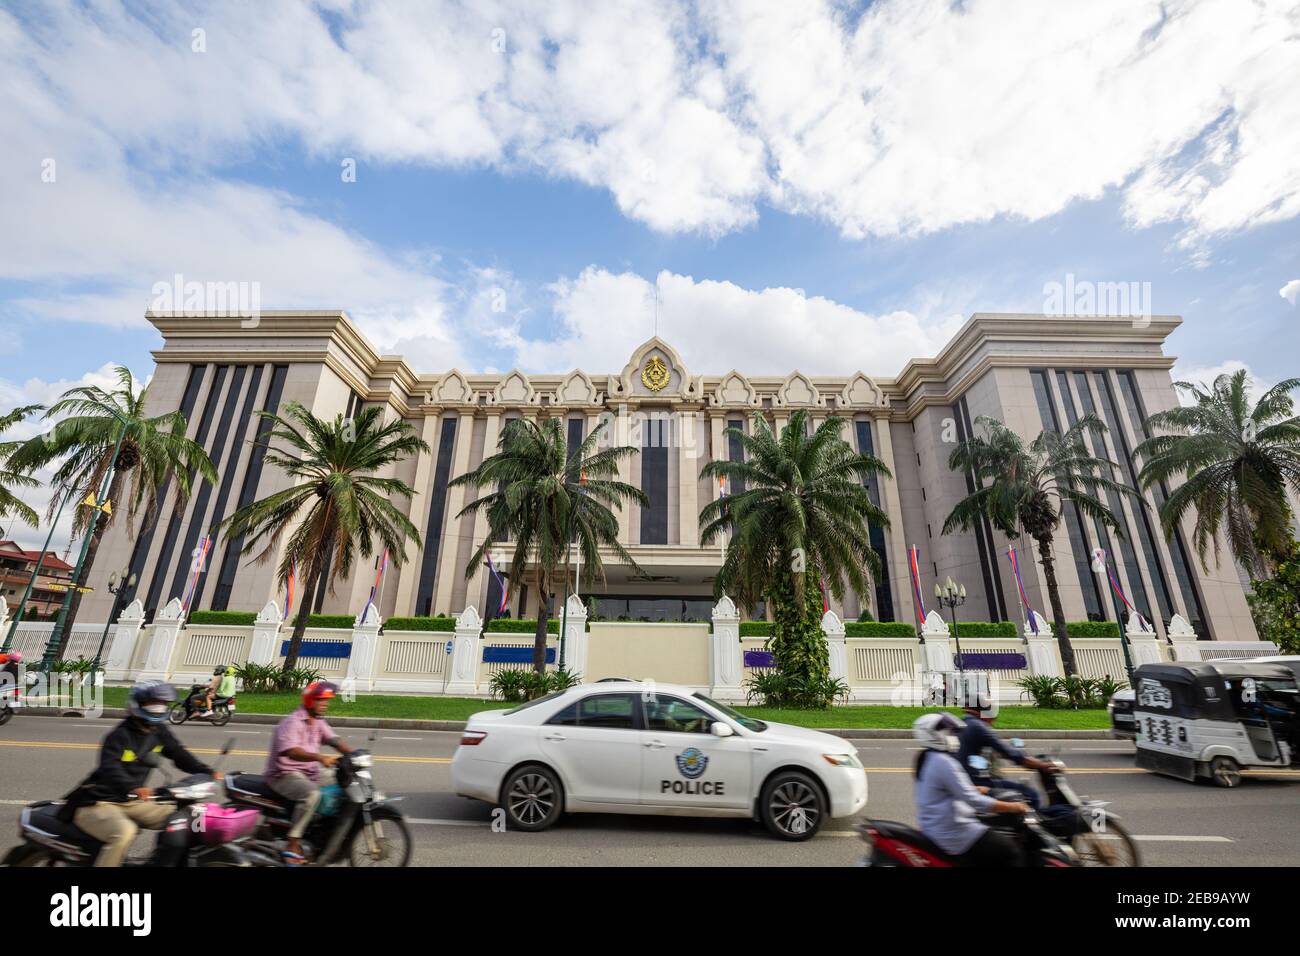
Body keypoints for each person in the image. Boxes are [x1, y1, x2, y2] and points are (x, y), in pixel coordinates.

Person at [62, 680, 217, 867]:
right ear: (139, 703)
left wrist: (206, 771)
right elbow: (110, 768)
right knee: (125, 832)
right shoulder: (120, 735)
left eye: (162, 703)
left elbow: (178, 753)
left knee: (185, 817)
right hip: (99, 802)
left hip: (131, 801)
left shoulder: (158, 731)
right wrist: (134, 787)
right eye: (153, 702)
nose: (159, 707)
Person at [913, 712, 1028, 867]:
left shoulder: (926, 757)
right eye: (947, 732)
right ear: (933, 734)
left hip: (935, 828)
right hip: (954, 832)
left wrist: (975, 789)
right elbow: (973, 801)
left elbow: (944, 789)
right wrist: (1013, 807)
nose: (952, 736)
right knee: (1010, 851)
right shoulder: (944, 762)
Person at [265, 680, 352, 865]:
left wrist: (354, 755)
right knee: (312, 794)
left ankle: (325, 829)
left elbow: (334, 740)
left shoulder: (318, 721)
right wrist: (320, 758)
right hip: (284, 774)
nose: (325, 704)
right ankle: (293, 843)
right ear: (310, 701)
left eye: (326, 700)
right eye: (321, 700)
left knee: (341, 782)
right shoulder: (293, 722)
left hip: (308, 772)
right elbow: (292, 752)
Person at [957, 705, 1060, 809]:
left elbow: (999, 750)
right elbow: (1010, 753)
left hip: (966, 780)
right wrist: (1042, 765)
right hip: (977, 782)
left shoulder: (964, 723)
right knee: (1031, 795)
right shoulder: (978, 727)